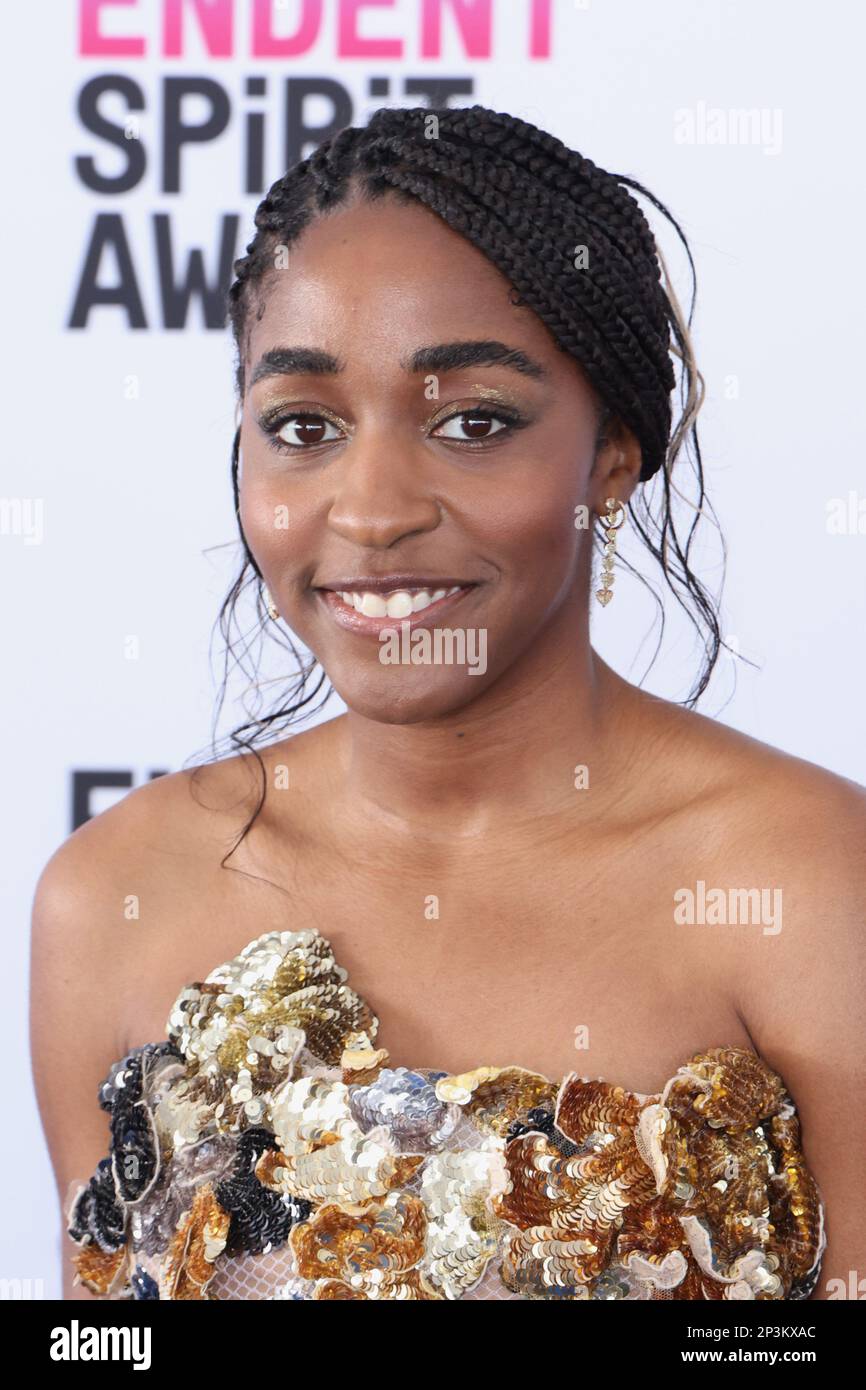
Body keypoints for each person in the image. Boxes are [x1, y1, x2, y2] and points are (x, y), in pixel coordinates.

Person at [31, 105, 864, 1302]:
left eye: (473, 421)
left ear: (613, 454)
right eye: (303, 426)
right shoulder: (112, 896)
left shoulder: (811, 884)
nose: (371, 511)